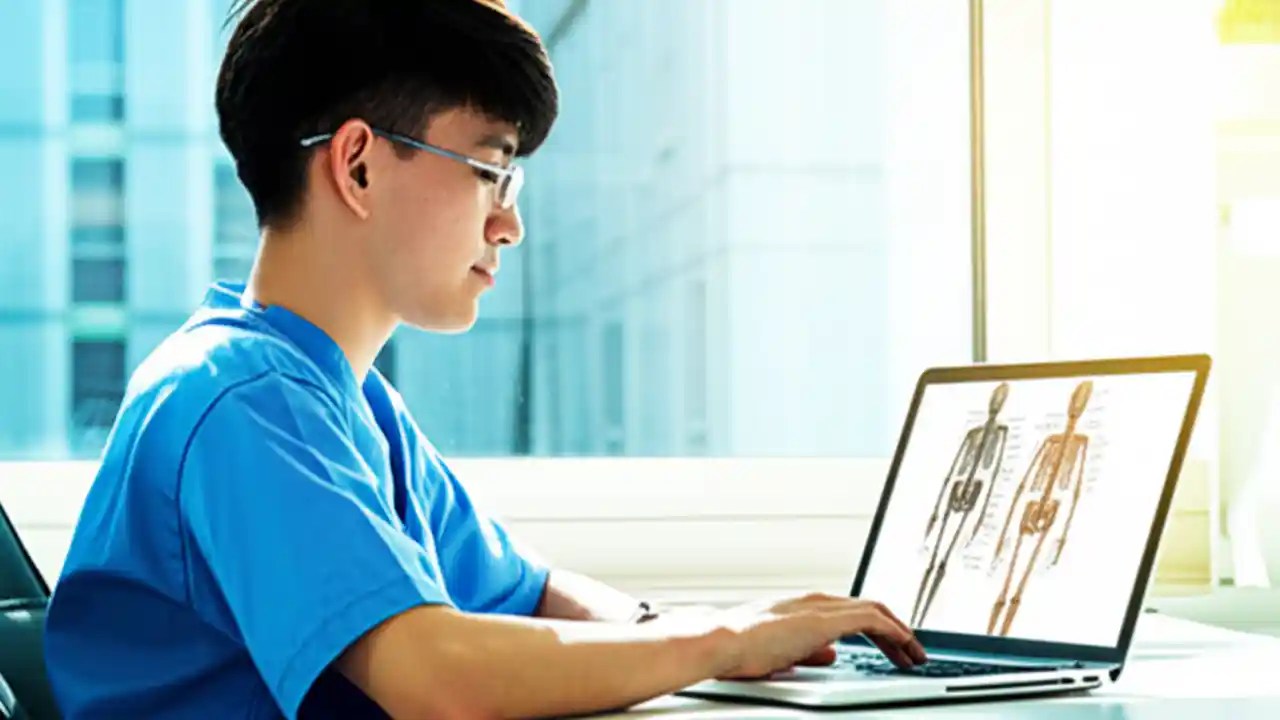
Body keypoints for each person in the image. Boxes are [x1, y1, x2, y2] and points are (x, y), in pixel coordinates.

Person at [42, 1, 927, 718]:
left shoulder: (347, 402)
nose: (510, 223)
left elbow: (528, 593)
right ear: (356, 166)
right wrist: (716, 645)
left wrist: (705, 629)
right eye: (489, 169)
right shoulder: (240, 399)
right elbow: (437, 676)